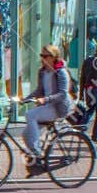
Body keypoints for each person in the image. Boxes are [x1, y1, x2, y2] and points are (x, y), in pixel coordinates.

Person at [20, 43, 73, 177]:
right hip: (47, 106)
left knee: (30, 115)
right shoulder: (42, 72)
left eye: (45, 56)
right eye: (41, 55)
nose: (42, 58)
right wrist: (24, 99)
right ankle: (36, 164)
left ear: (53, 57)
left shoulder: (61, 72)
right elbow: (39, 90)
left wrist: (45, 100)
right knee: (26, 134)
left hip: (58, 108)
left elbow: (63, 94)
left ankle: (36, 152)